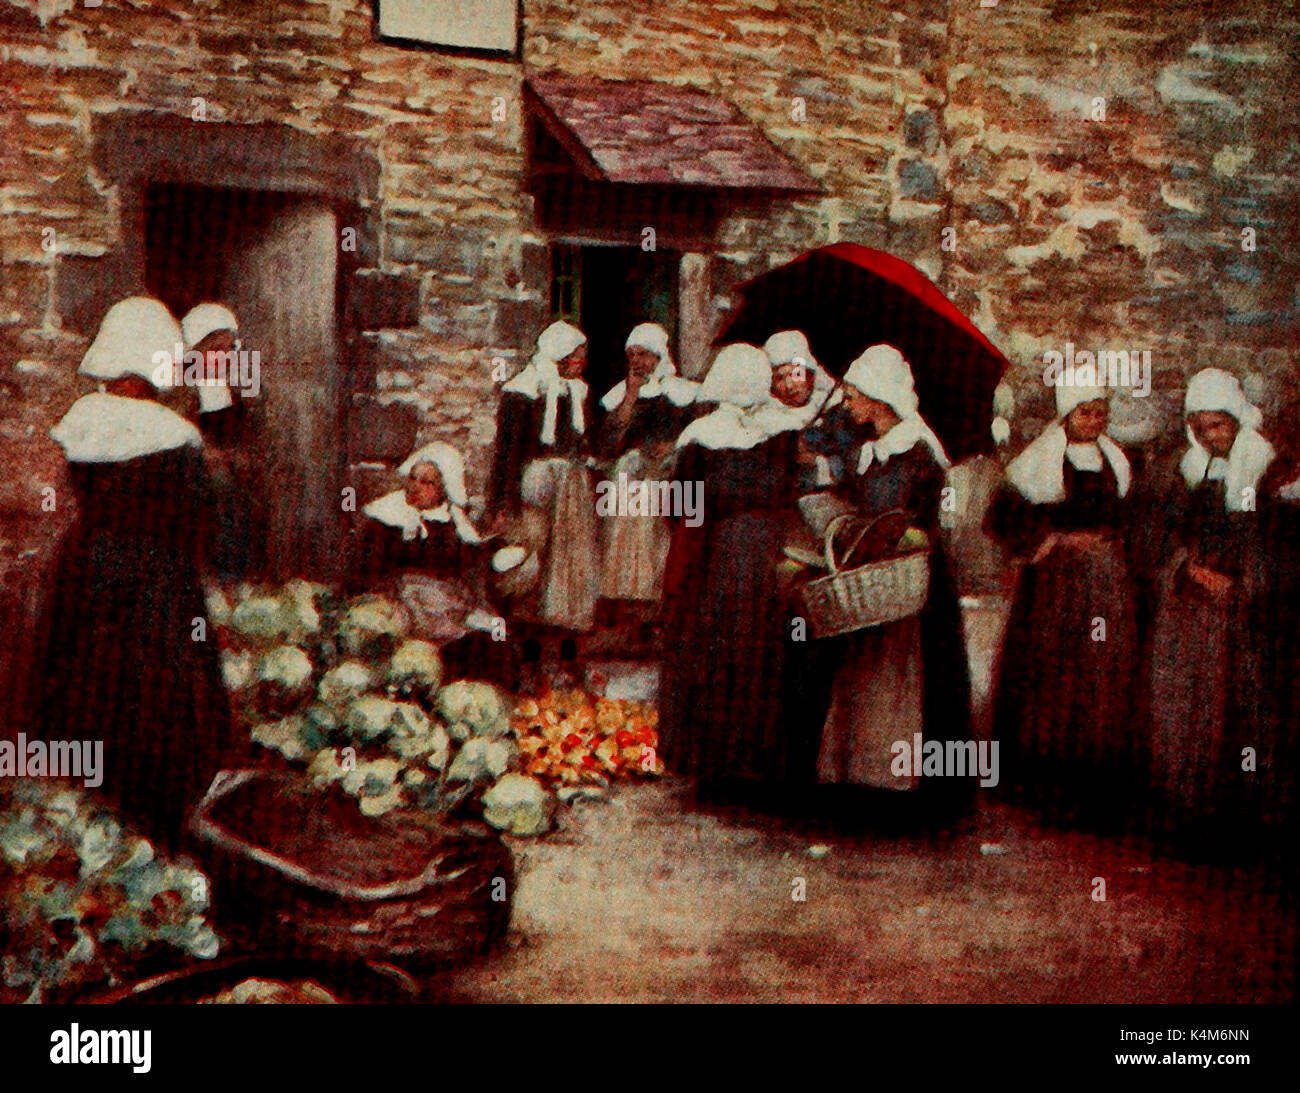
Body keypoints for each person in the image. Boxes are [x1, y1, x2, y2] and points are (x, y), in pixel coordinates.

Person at [29, 297, 239, 853]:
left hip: (89, 565)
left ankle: (86, 804)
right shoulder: (174, 433)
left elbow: (74, 492)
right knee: (156, 686)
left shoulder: (81, 419)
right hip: (156, 576)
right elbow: (197, 514)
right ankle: (158, 812)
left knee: (88, 676)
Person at [807, 344, 974, 828]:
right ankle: (860, 782)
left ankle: (904, 793)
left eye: (856, 397)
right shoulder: (867, 451)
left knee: (903, 685)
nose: (850, 406)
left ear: (880, 401)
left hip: (909, 585)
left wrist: (907, 534)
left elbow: (943, 520)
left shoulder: (920, 452)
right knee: (861, 681)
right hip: (870, 584)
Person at [985, 384, 1142, 829]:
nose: (1094, 421)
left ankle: (1093, 784)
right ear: (1067, 415)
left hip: (1105, 585)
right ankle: (1043, 784)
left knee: (1101, 676)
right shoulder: (1037, 461)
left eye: (1100, 413)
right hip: (1055, 588)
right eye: (1085, 413)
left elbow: (1127, 520)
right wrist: (1049, 540)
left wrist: (1111, 547)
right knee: (1052, 675)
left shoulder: (1117, 461)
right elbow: (1000, 517)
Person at [1137, 368, 1276, 853]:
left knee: (1238, 710)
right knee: (1183, 710)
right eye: (1200, 428)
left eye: (1218, 426)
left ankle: (1237, 821)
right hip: (1187, 610)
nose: (1209, 436)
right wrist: (1189, 569)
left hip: (1241, 616)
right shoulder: (1185, 471)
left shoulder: (1263, 468)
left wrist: (1239, 584)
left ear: (1236, 421)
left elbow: (1266, 544)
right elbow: (1162, 536)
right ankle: (1186, 814)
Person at [658, 344, 800, 803]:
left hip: (726, 555)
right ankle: (741, 766)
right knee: (746, 651)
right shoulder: (777, 431)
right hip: (756, 554)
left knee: (734, 650)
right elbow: (784, 491)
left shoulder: (709, 436)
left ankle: (725, 766)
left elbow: (680, 506)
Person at [351, 441, 511, 687]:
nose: (416, 487)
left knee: (494, 636)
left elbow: (468, 558)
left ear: (443, 489)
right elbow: (368, 570)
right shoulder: (386, 514)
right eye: (414, 479)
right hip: (402, 602)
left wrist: (494, 537)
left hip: (446, 605)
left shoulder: (452, 519)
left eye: (427, 483)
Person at [488, 320, 600, 653]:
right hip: (534, 485)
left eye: (583, 356)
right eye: (578, 356)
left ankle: (563, 640)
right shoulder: (523, 390)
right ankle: (524, 640)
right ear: (561, 356)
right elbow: (507, 452)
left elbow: (585, 441)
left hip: (571, 487)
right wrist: (502, 504)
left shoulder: (580, 392)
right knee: (529, 555)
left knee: (567, 559)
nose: (582, 362)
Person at [595, 323, 698, 622]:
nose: (638, 361)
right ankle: (630, 600)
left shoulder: (685, 392)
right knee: (630, 490)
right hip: (636, 473)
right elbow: (609, 442)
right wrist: (630, 394)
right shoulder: (622, 394)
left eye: (644, 354)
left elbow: (693, 435)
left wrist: (672, 447)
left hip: (674, 471)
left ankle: (662, 602)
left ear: (659, 354)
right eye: (632, 355)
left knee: (672, 505)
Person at [181, 303, 265, 581]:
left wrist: (238, 458)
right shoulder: (181, 392)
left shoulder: (232, 393)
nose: (226, 357)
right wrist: (209, 457)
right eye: (217, 350)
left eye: (230, 350)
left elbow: (246, 446)